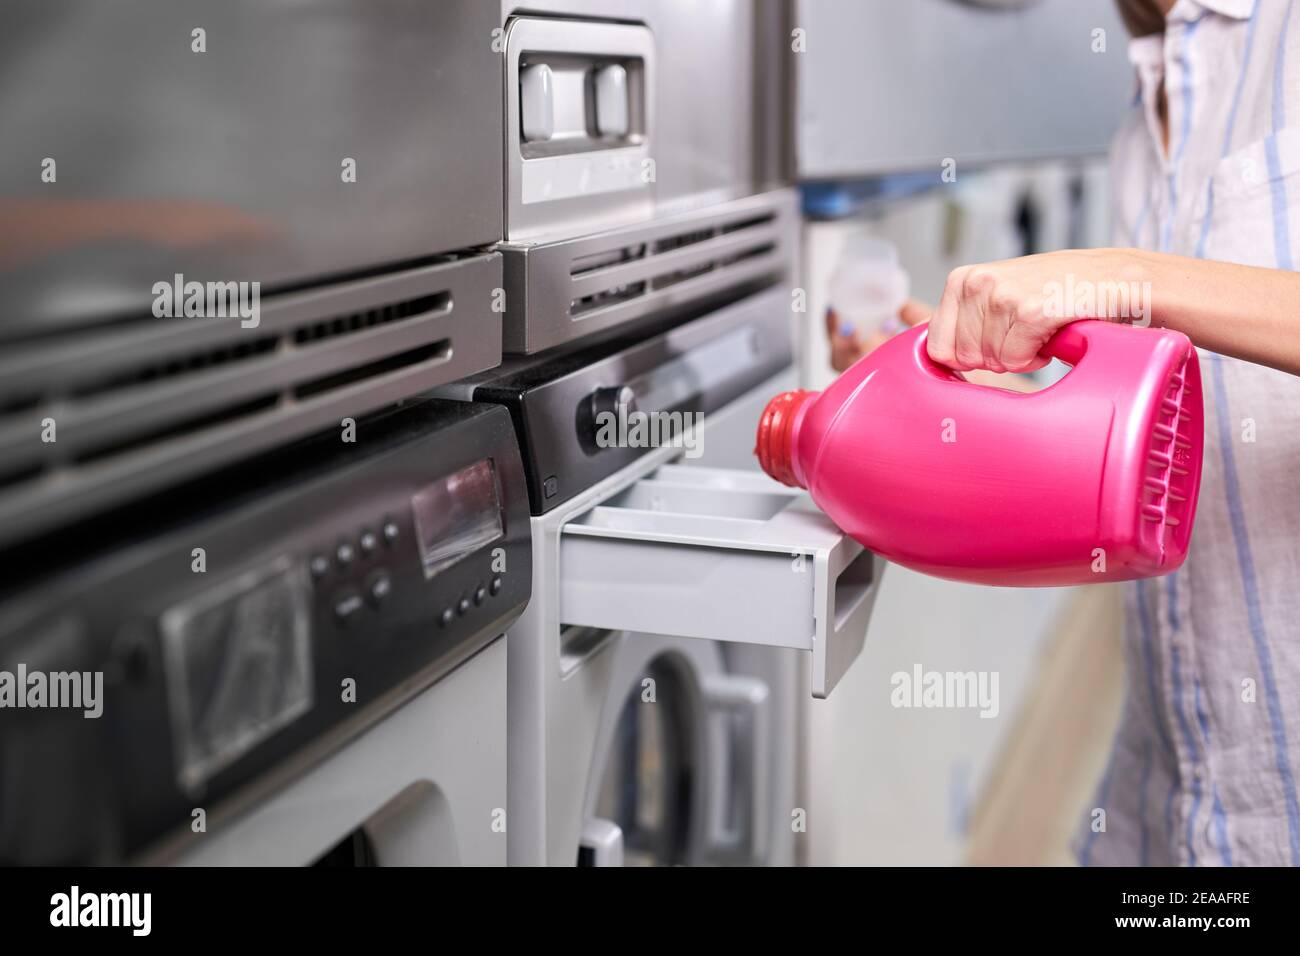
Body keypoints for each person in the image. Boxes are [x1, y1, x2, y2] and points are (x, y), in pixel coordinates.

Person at [830, 0, 1300, 866]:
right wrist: (954, 388)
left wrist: (1126, 276)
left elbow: (1152, 296)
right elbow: (1153, 419)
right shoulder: (1139, 128)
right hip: (1172, 788)